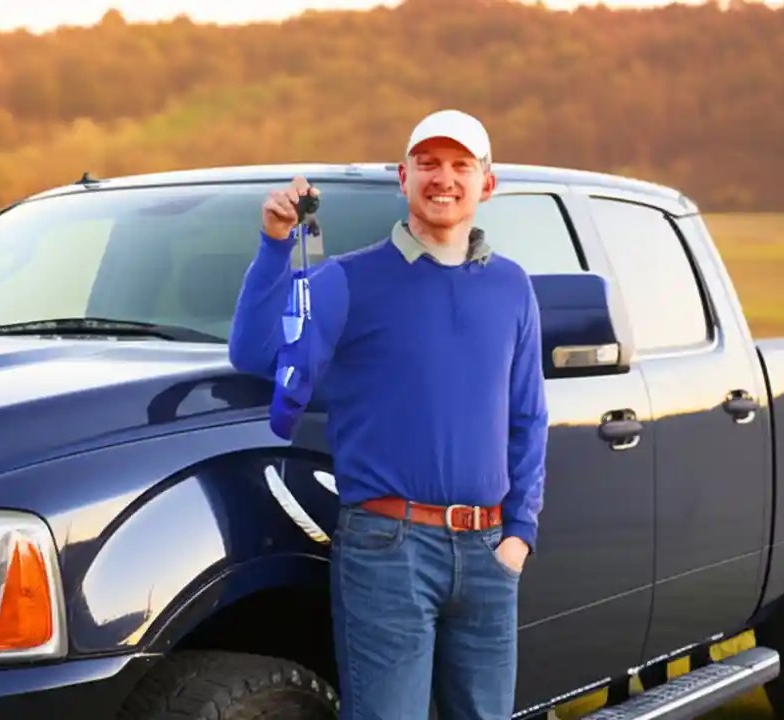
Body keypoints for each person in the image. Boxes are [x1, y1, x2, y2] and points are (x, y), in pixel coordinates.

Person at [228, 109, 548, 718]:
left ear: (488, 182)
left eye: (460, 165)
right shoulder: (346, 280)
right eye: (427, 164)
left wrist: (519, 535)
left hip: (488, 552)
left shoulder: (512, 287)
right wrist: (275, 246)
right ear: (403, 176)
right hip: (387, 549)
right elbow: (254, 351)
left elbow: (527, 417)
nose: (443, 179)